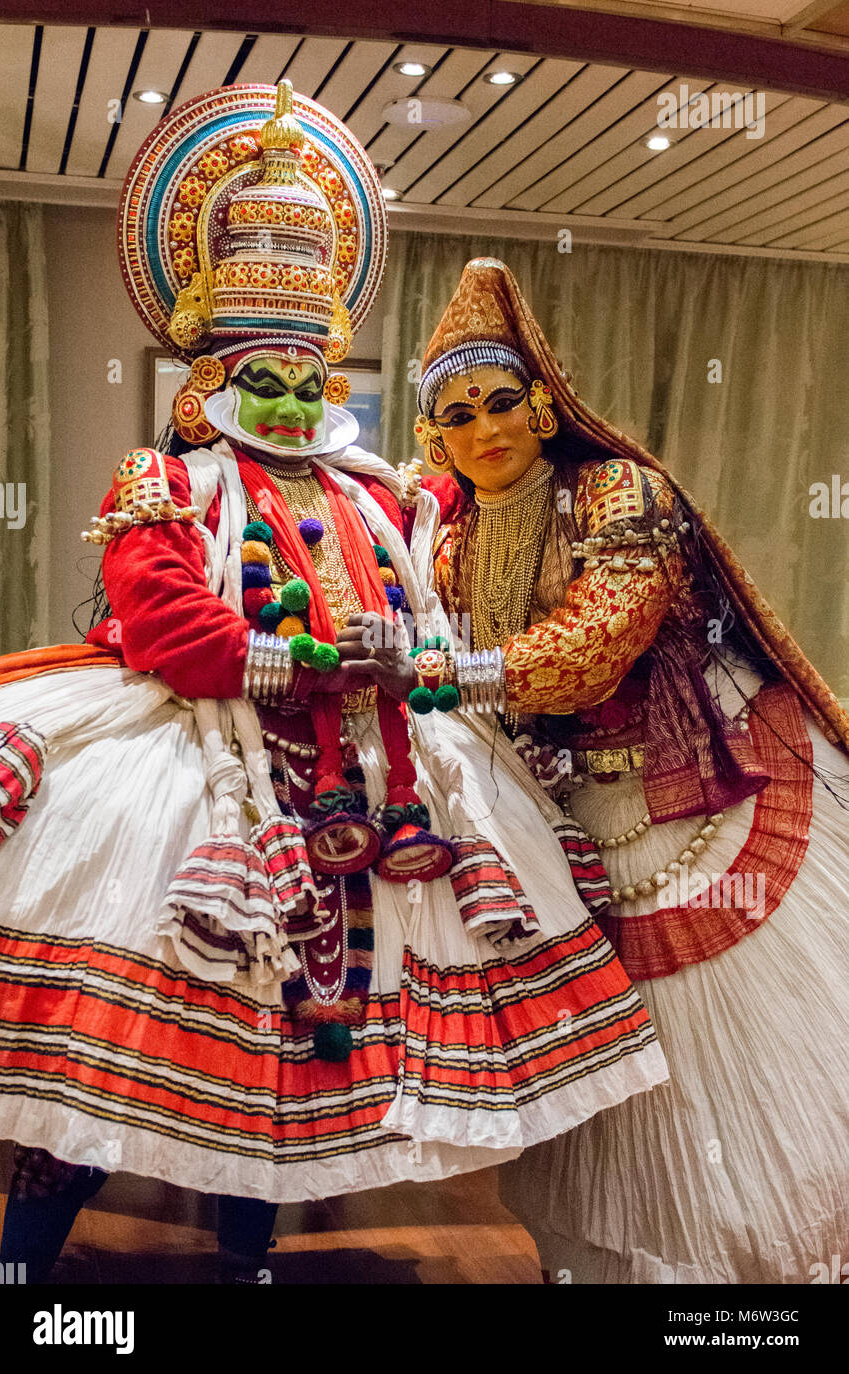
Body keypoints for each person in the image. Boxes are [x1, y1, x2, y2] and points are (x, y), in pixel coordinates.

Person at [0, 89, 666, 1284]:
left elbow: (486, 537)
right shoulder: (166, 478)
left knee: (295, 1074)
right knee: (116, 1054)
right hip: (205, 763)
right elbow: (161, 621)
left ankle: (249, 1264)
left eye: (314, 378)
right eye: (270, 378)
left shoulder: (381, 495)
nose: (297, 401)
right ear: (215, 381)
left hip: (377, 782)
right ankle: (23, 1276)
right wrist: (292, 659)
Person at [356, 255, 849, 1283]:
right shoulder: (437, 520)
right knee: (598, 1049)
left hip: (681, 802)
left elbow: (593, 648)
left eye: (499, 402)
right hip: (548, 811)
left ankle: (737, 1273)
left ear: (541, 405)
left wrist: (444, 671)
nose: (481, 428)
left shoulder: (619, 491)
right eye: (454, 416)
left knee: (706, 1052)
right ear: (430, 434)